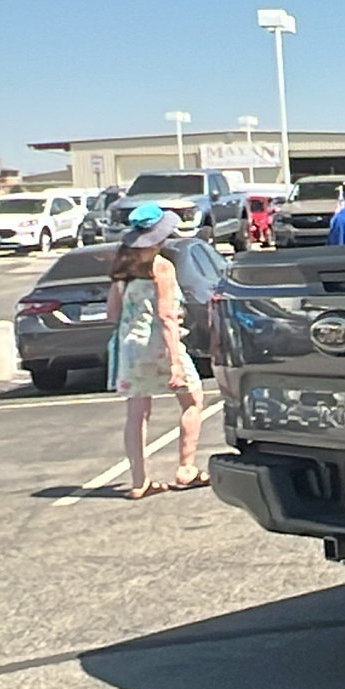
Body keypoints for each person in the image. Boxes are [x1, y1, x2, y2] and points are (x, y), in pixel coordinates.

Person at [107, 203, 207, 499]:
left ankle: (139, 480)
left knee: (137, 412)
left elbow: (112, 313)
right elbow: (166, 316)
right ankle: (186, 468)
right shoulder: (161, 266)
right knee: (192, 400)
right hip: (160, 344)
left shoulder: (122, 267)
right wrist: (175, 361)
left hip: (131, 347)